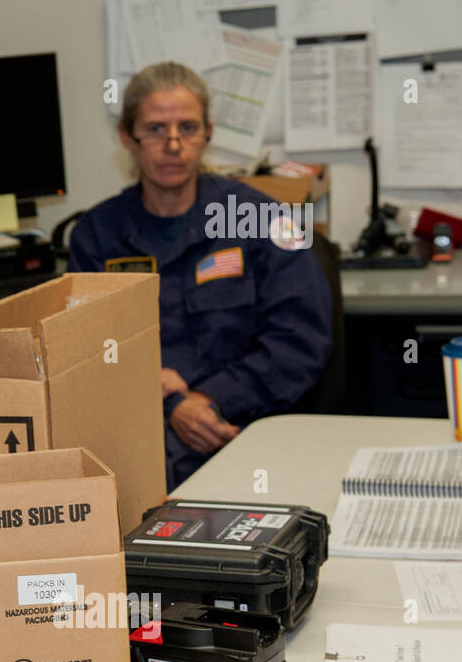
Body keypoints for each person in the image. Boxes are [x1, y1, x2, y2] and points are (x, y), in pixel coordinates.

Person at [68, 61, 332, 489]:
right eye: (155, 129)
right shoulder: (96, 236)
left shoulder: (262, 218)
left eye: (187, 128)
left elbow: (301, 340)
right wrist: (172, 404)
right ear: (127, 138)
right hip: (144, 434)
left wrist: (209, 400)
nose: (173, 144)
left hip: (247, 428)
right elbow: (86, 356)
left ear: (207, 134)